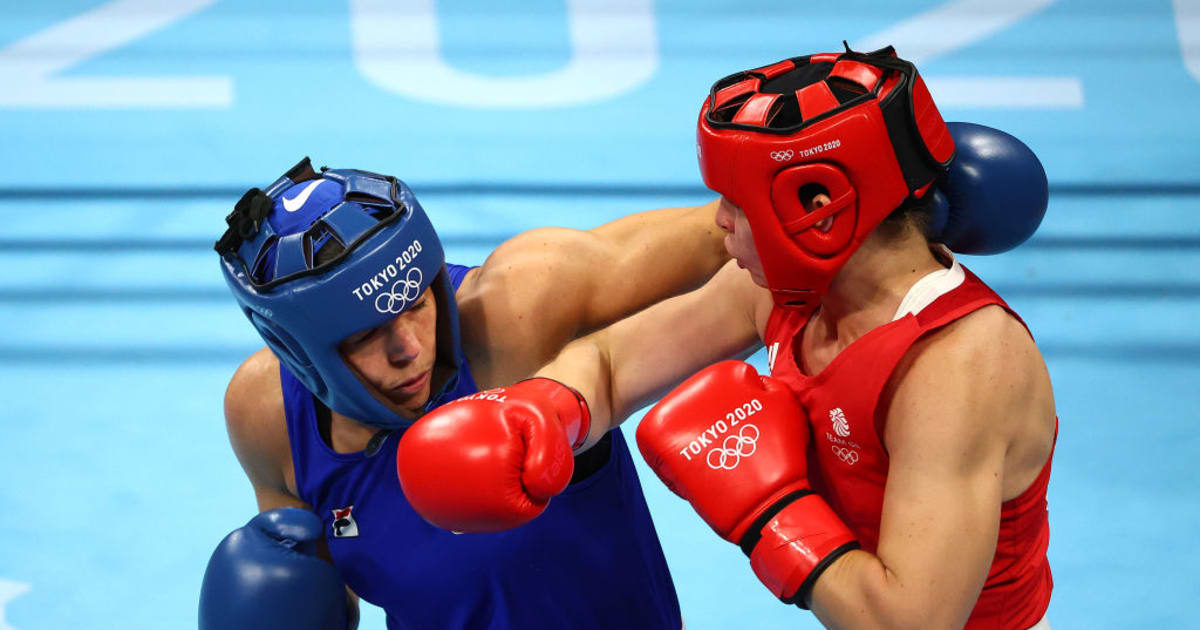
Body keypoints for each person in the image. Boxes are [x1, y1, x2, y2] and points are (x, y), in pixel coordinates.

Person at [397, 46, 1055, 629]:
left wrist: (772, 511)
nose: (720, 223)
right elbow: (613, 361)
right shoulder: (788, 288)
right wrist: (546, 409)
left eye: (739, 203)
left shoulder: (957, 366)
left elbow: (910, 622)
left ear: (818, 208)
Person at [198, 157, 731, 630]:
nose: (409, 348)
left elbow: (736, 232)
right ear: (298, 351)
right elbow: (329, 595)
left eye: (416, 303)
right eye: (365, 336)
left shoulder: (520, 308)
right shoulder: (266, 413)